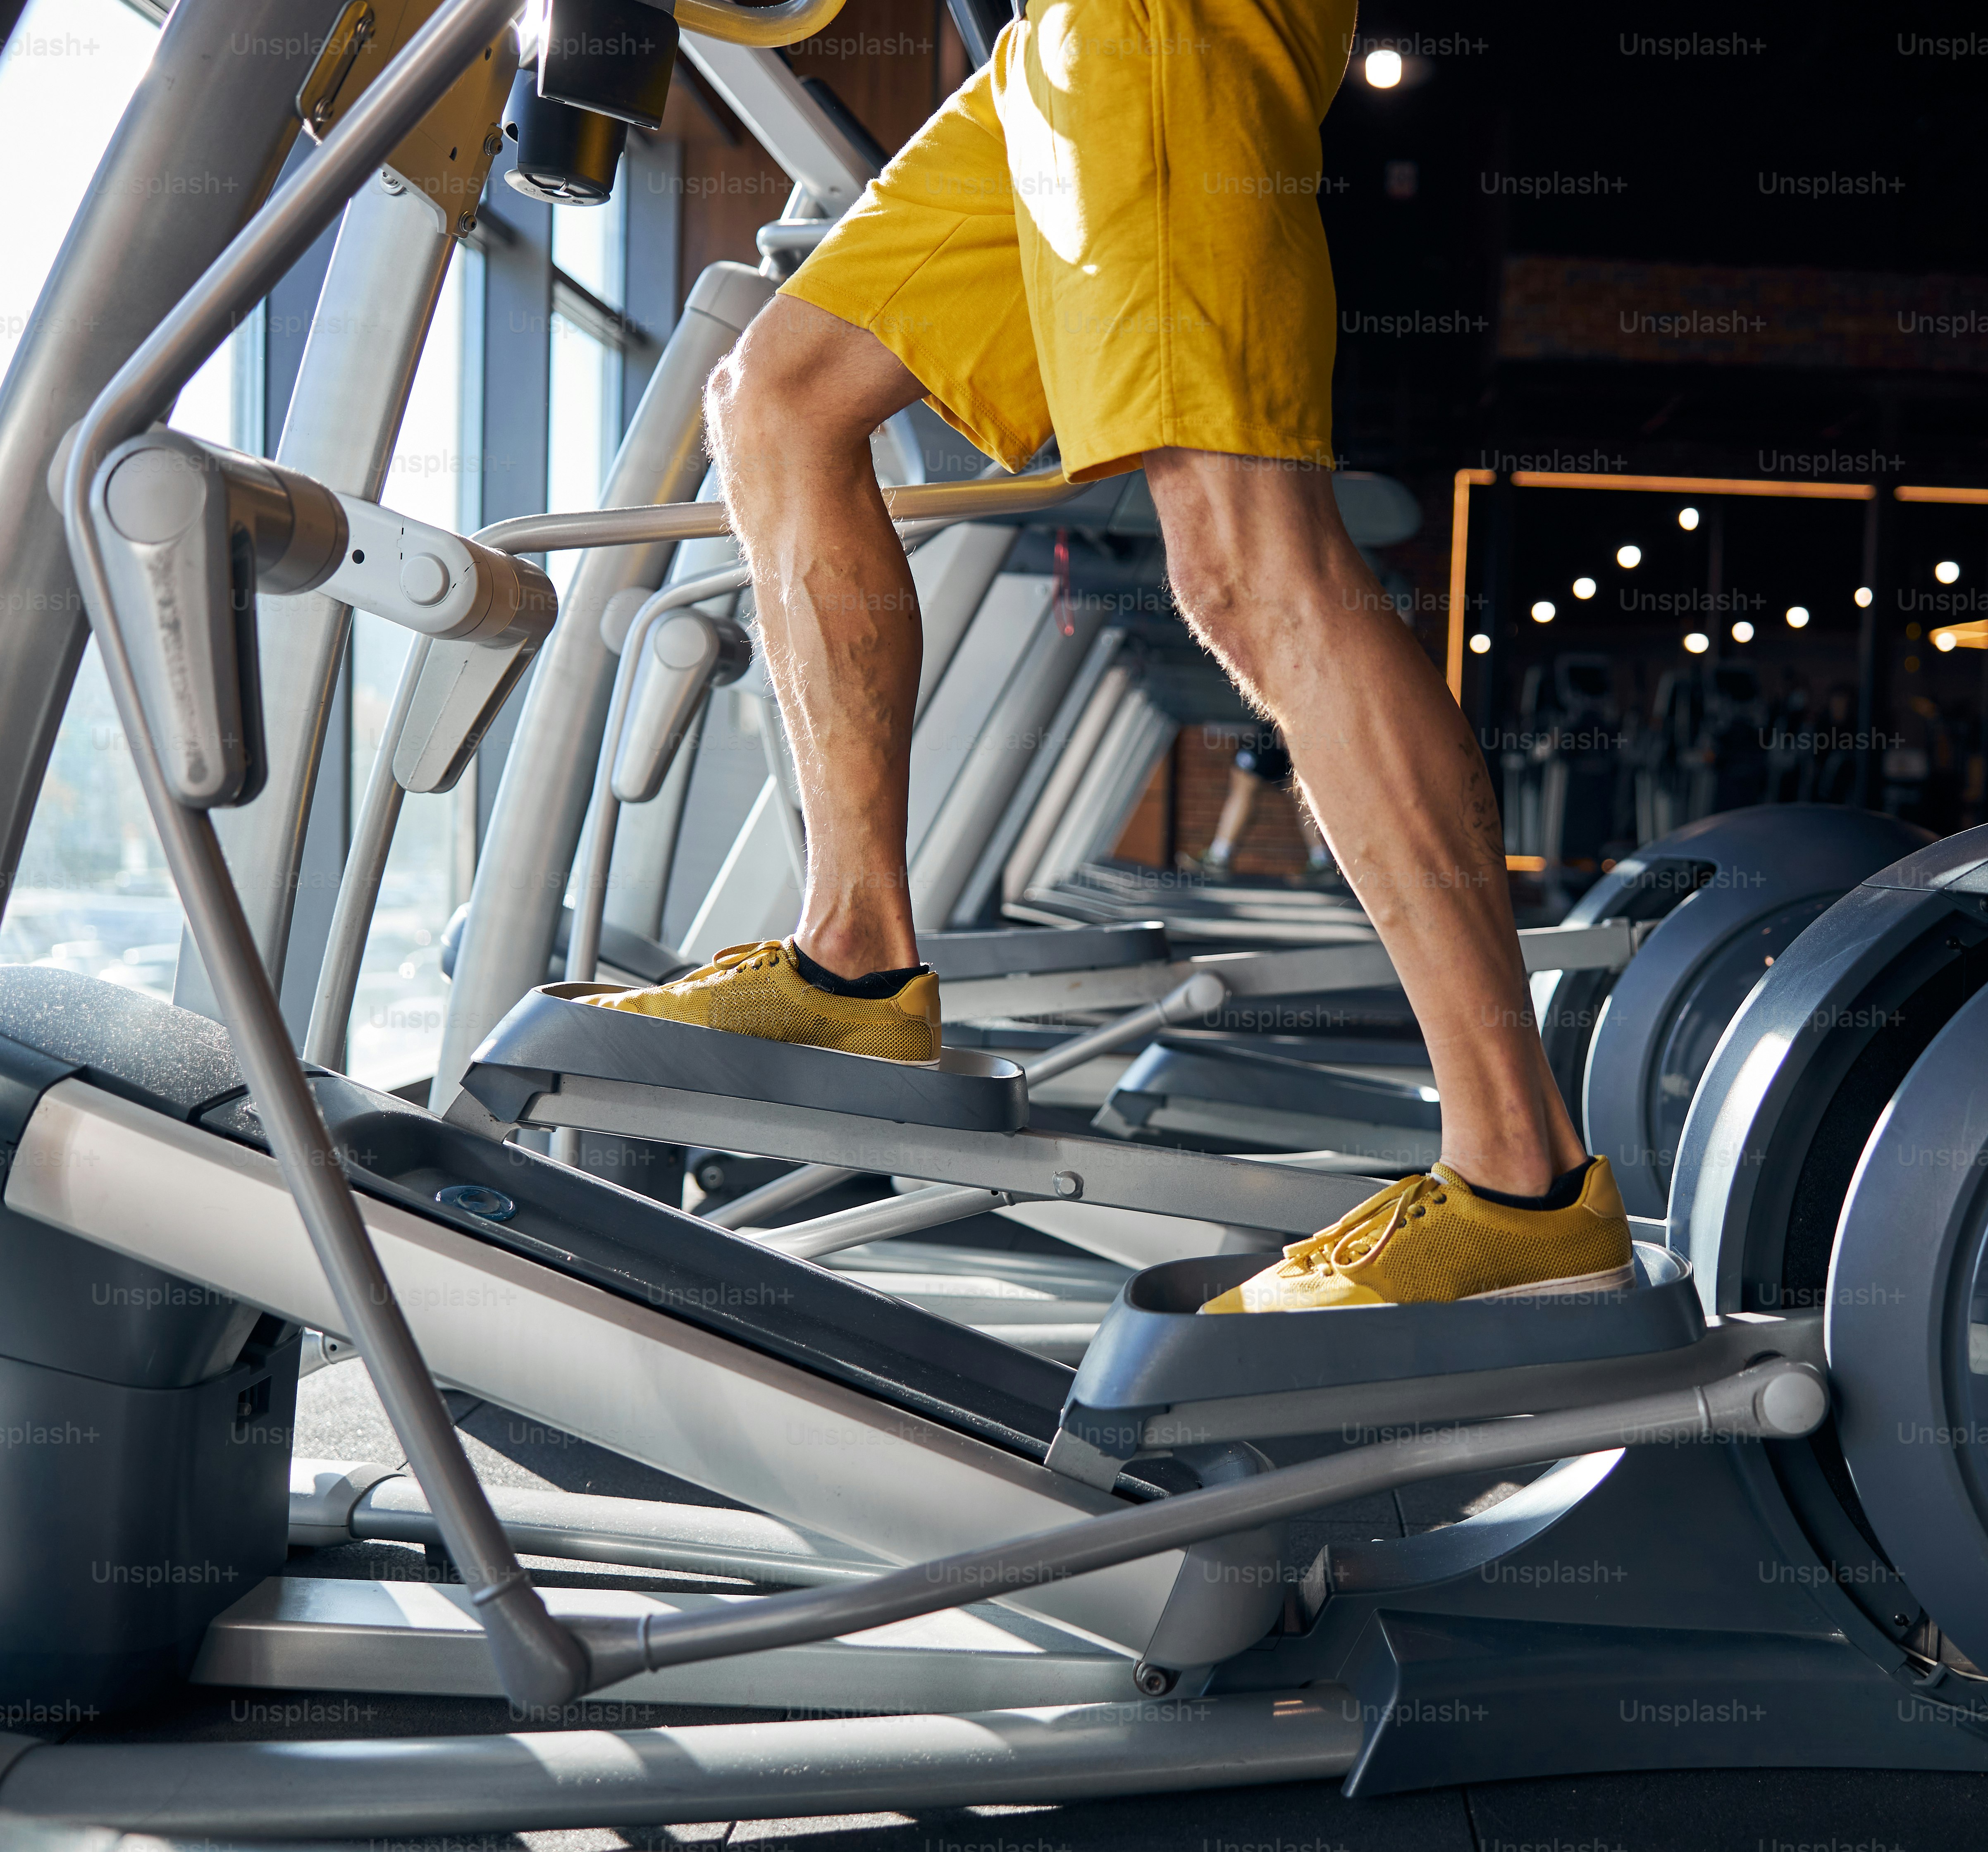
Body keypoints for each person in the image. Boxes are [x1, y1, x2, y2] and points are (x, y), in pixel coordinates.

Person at [586, 0, 1626, 1311]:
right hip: (1050, 46)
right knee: (777, 399)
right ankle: (852, 958)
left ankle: (1517, 1175)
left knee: (1253, 567)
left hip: (1156, 22)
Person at [1184, 730, 1338, 883]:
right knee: (1299, 790)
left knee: (1245, 777)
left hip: (1280, 729)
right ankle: (1321, 859)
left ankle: (1219, 856)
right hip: (1291, 731)